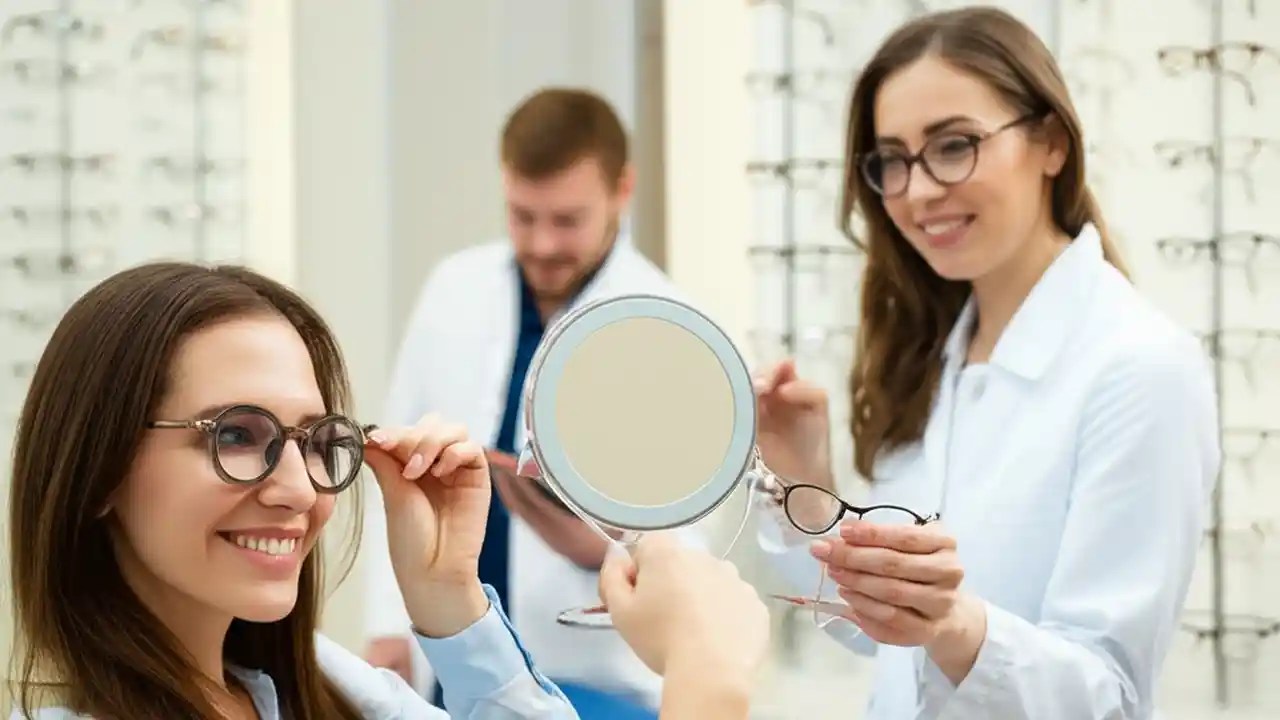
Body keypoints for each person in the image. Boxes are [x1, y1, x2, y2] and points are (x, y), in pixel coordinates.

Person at [5, 262, 771, 720]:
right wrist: (707, 675)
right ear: (100, 467)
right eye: (237, 435)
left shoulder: (318, 687)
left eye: (313, 441)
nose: (298, 487)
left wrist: (449, 601)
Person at [750, 7, 1220, 720]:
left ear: (1052, 143)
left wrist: (955, 624)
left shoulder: (1142, 369)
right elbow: (890, 644)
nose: (917, 190)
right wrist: (808, 492)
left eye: (953, 146)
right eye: (893, 161)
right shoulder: (934, 353)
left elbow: (1111, 697)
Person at [362, 87, 701, 718]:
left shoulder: (668, 325)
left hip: (602, 681)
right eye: (523, 216)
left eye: (567, 220)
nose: (543, 244)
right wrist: (388, 625)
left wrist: (591, 537)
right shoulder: (453, 288)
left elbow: (683, 540)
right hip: (450, 660)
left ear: (622, 190)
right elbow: (393, 459)